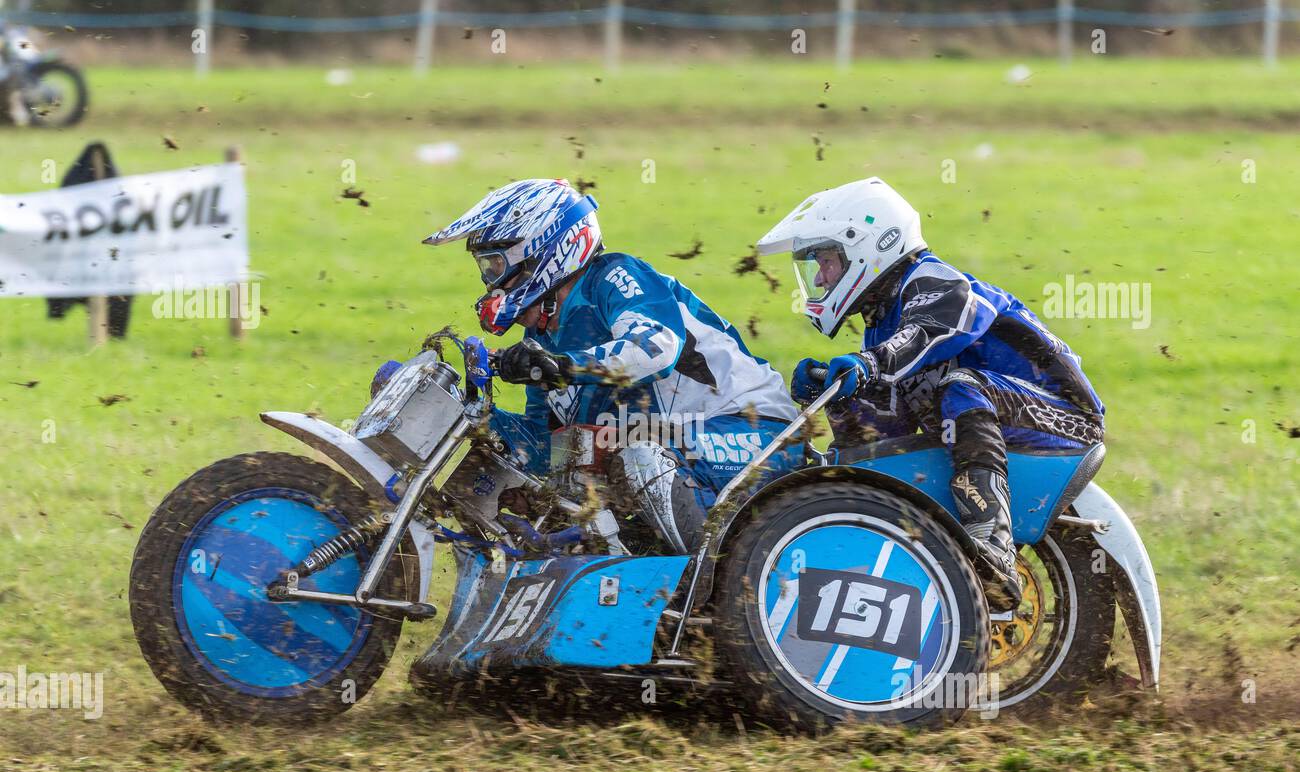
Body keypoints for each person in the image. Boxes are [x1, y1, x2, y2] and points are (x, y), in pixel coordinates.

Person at [757, 177, 1105, 609]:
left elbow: (930, 331)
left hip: (1064, 418)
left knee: (964, 385)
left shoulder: (934, 280)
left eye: (827, 262)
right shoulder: (880, 325)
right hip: (988, 424)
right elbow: (891, 419)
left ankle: (994, 543)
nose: (822, 278)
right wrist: (834, 387)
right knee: (861, 408)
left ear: (868, 245)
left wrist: (870, 364)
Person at [422, 178, 800, 553]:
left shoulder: (614, 276)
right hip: (676, 449)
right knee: (566, 490)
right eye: (485, 269)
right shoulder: (542, 345)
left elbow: (656, 347)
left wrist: (561, 366)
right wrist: (474, 421)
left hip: (757, 435)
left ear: (544, 250)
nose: (492, 285)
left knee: (641, 458)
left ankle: (715, 597)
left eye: (495, 266)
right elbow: (544, 451)